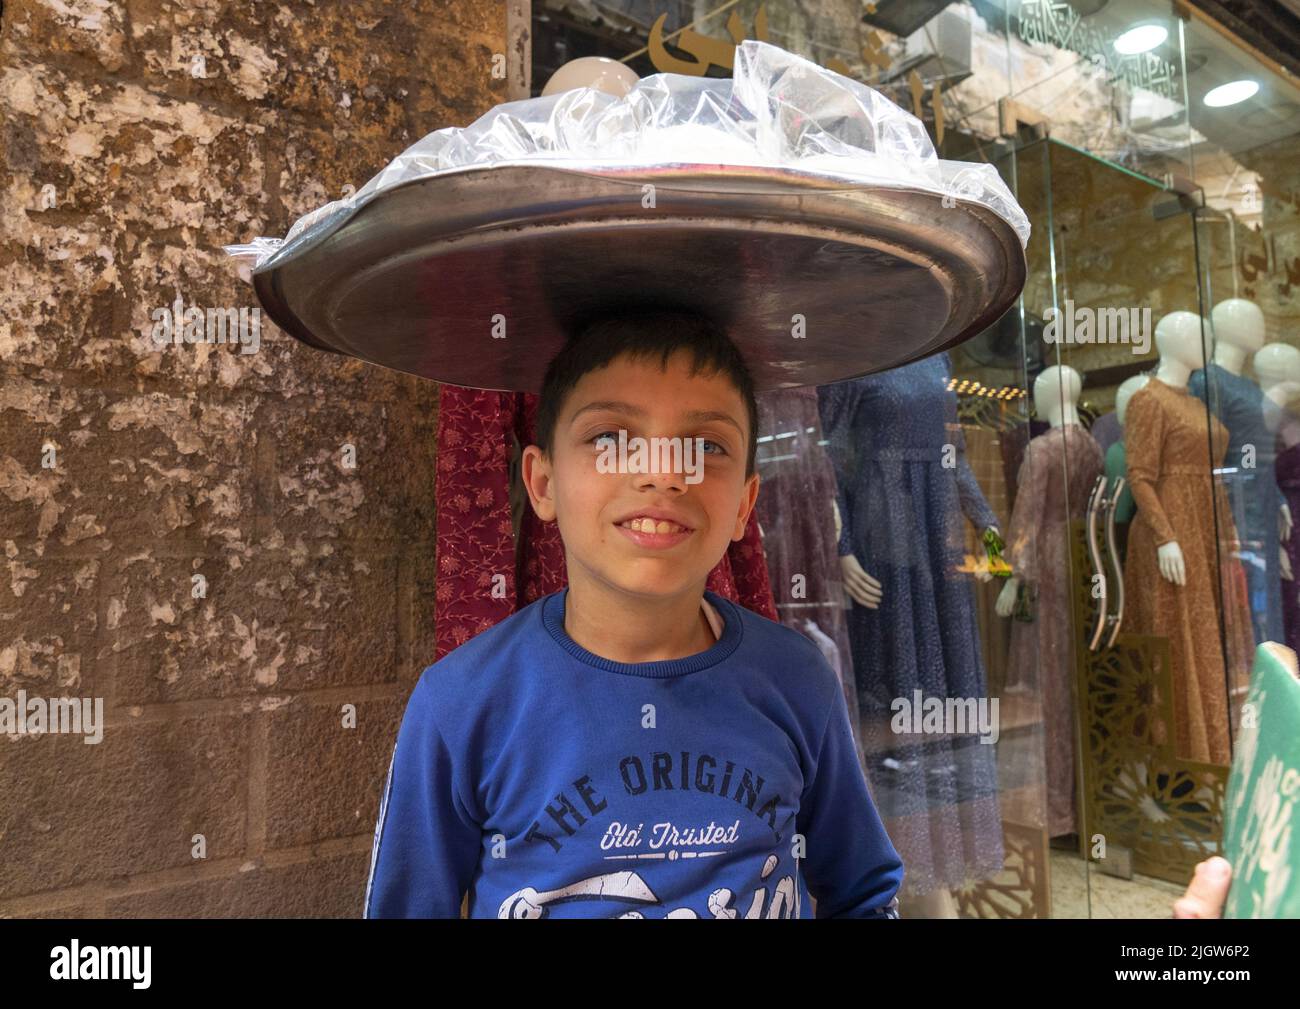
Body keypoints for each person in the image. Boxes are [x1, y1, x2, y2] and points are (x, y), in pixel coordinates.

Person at [363, 309, 905, 918]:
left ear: (743, 507)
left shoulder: (798, 679)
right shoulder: (461, 703)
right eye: (611, 439)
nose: (664, 474)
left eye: (706, 447)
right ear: (542, 483)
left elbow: (863, 893)